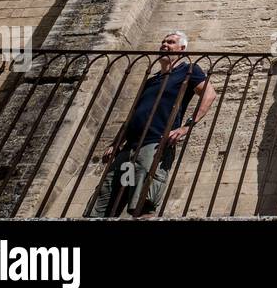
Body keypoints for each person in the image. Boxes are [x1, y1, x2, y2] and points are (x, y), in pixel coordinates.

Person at [88, 31, 216, 217]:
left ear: (182, 49)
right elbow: (133, 114)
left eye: (170, 42)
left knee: (142, 203)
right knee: (110, 198)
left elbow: (209, 94)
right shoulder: (151, 80)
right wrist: (116, 143)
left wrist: (186, 126)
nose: (164, 44)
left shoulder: (188, 71)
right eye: (163, 41)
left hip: (153, 146)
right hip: (129, 148)